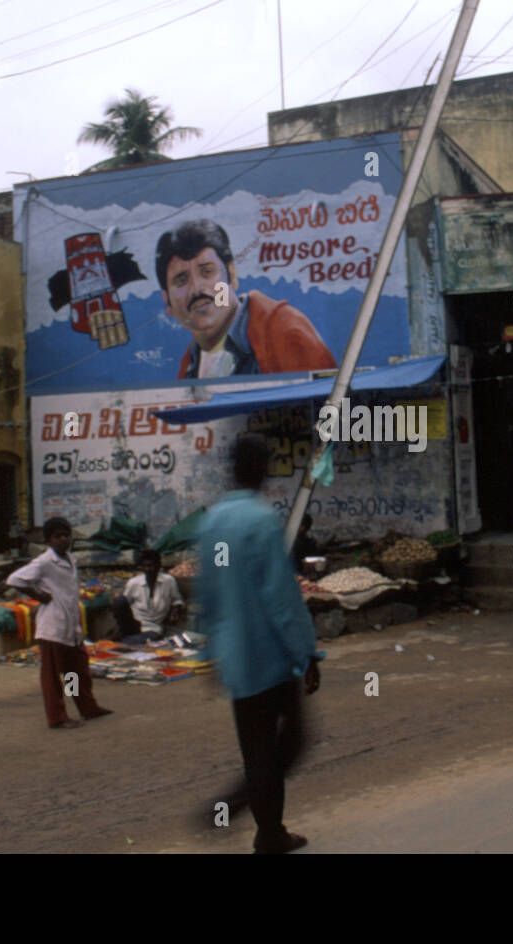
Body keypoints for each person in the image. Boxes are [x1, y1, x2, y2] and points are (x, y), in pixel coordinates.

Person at [198, 434, 321, 853]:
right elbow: (280, 597)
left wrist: (212, 654)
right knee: (292, 740)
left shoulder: (214, 522)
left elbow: (210, 594)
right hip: (270, 656)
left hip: (237, 659)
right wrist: (307, 653)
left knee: (257, 748)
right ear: (261, 469)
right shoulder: (261, 521)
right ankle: (250, 811)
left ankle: (267, 827)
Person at [156, 219, 337, 379]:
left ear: (232, 275)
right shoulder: (191, 363)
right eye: (181, 280)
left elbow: (328, 408)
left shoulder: (284, 332)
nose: (196, 289)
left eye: (207, 271)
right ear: (167, 301)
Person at [7, 517, 114, 730]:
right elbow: (15, 580)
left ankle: (86, 707)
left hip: (71, 625)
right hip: (53, 627)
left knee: (76, 671)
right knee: (52, 676)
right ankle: (57, 716)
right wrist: (38, 595)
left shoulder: (71, 560)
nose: (63, 540)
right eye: (58, 536)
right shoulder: (45, 562)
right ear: (49, 540)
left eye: (66, 535)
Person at [112, 548, 184, 643]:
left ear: (158, 566)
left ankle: (124, 640)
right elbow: (125, 604)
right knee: (119, 600)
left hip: (153, 627)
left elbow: (177, 599)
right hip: (134, 624)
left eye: (151, 566)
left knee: (131, 642)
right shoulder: (134, 583)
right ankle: (122, 634)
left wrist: (176, 610)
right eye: (145, 566)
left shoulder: (169, 581)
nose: (148, 569)